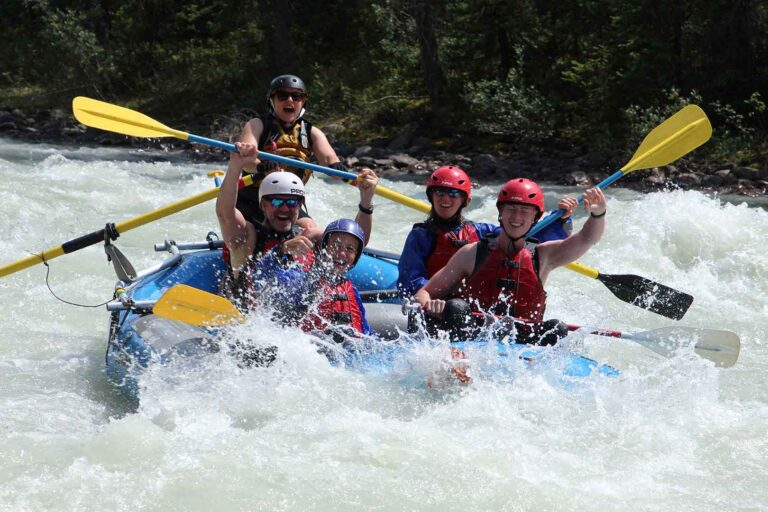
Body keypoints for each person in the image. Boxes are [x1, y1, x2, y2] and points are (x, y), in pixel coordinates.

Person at [413, 178, 606, 345]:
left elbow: (587, 239)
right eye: (511, 209)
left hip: (524, 346)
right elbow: (424, 293)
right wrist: (432, 306)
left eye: (524, 211)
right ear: (500, 213)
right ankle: (456, 365)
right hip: (474, 340)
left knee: (557, 328)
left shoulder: (544, 255)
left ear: (535, 218)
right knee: (456, 308)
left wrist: (598, 214)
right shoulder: (472, 253)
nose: (516, 217)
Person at [216, 142, 377, 306]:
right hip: (247, 318)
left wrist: (366, 201)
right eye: (277, 201)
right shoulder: (247, 236)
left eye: (292, 202)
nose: (285, 208)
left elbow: (355, 240)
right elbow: (225, 214)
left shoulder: (308, 233)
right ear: (263, 205)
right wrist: (235, 166)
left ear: (300, 206)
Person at [397, 165, 573, 297]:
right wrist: (442, 289)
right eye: (440, 192)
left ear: (465, 200)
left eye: (453, 194)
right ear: (431, 196)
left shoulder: (482, 232)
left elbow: (525, 237)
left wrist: (562, 220)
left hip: (473, 305)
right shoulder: (420, 235)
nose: (445, 198)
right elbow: (409, 282)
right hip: (436, 303)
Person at [235, 74, 347, 228]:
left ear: (303, 102)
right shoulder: (257, 125)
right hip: (253, 199)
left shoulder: (311, 132)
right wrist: (261, 165)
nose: (290, 100)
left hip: (289, 202)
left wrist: (336, 166)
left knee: (311, 230)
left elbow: (329, 159)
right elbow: (246, 159)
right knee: (253, 237)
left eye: (296, 96)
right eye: (282, 95)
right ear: (272, 101)